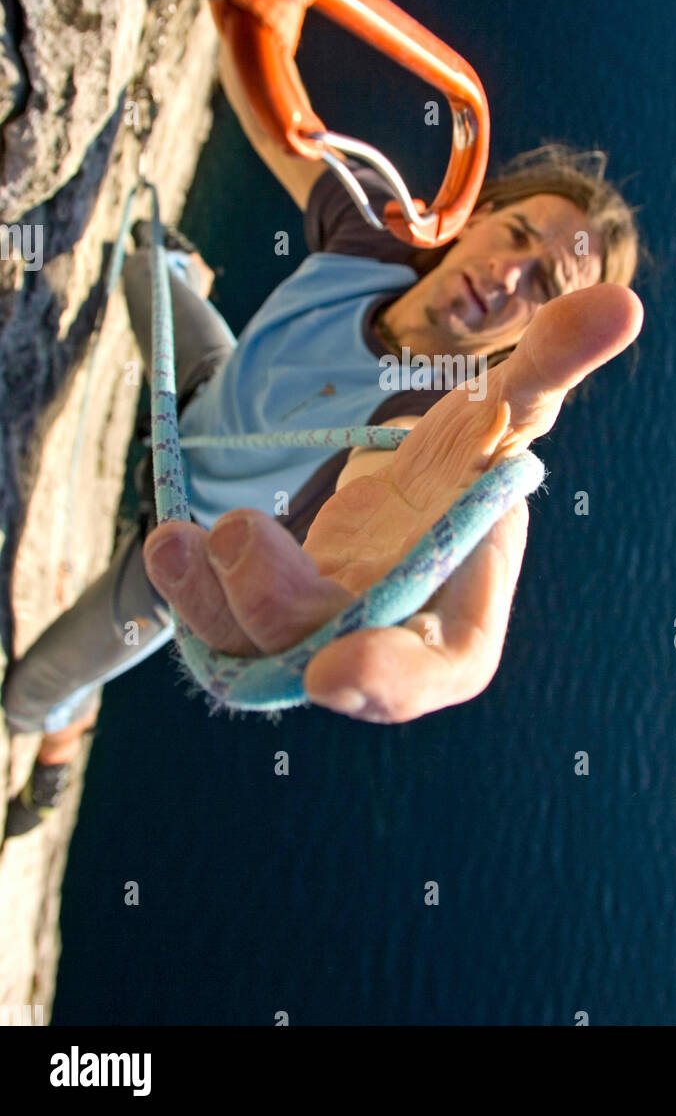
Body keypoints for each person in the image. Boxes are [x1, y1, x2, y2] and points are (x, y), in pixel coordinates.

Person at [1, 42, 643, 837]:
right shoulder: (372, 236)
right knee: (141, 267)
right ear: (472, 219)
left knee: (26, 695)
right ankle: (182, 275)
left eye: (544, 286)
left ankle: (64, 738)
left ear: (535, 335)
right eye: (516, 234)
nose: (510, 274)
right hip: (207, 389)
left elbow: (423, 469)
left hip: (185, 551)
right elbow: (277, 116)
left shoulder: (432, 411)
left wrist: (456, 544)